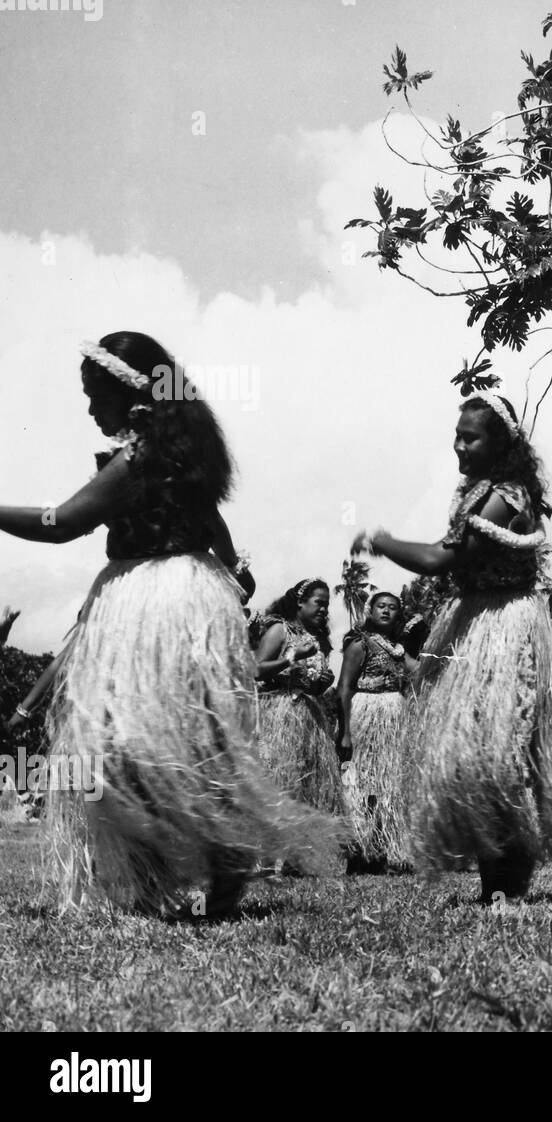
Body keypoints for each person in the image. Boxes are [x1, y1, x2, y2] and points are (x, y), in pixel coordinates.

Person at [0, 332, 334, 915]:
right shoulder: (184, 461)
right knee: (180, 747)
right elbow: (229, 557)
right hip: (186, 603)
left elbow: (61, 522)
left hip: (152, 608)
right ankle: (206, 873)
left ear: (132, 401)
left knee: (113, 752)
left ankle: (194, 865)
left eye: (93, 395)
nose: (88, 410)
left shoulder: (139, 460)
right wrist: (223, 591)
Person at [352, 390, 552, 902]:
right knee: (474, 759)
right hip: (475, 623)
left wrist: (382, 541)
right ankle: (494, 887)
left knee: (502, 759)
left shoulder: (506, 496)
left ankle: (510, 888)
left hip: (504, 628)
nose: (458, 445)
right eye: (456, 435)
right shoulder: (479, 493)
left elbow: (443, 559)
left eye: (470, 436)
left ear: (498, 441)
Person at [336, 592, 418, 872]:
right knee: (364, 786)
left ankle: (382, 851)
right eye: (381, 606)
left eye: (392, 608)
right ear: (370, 610)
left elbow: (419, 671)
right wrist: (346, 732)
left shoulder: (397, 648)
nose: (386, 611)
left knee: (387, 785)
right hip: (366, 715)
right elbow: (344, 687)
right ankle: (360, 854)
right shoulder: (359, 643)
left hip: (393, 717)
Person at [254, 580, 343, 820]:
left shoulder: (319, 639)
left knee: (304, 786)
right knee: (278, 782)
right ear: (300, 603)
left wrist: (323, 681)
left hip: (310, 721)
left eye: (327, 605)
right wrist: (291, 657)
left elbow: (311, 683)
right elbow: (256, 670)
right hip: (278, 717)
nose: (324, 609)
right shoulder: (280, 629)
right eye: (318, 603)